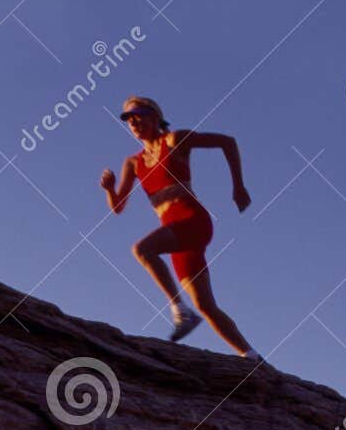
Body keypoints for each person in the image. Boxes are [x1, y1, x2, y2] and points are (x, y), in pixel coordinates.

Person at [100, 96, 261, 358]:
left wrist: (238, 186)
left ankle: (180, 311)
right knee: (206, 305)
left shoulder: (175, 140)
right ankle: (252, 357)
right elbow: (118, 207)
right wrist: (109, 190)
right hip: (176, 236)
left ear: (155, 117)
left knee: (143, 250)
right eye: (128, 119)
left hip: (193, 221)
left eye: (138, 115)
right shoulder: (133, 163)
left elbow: (227, 142)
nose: (134, 122)